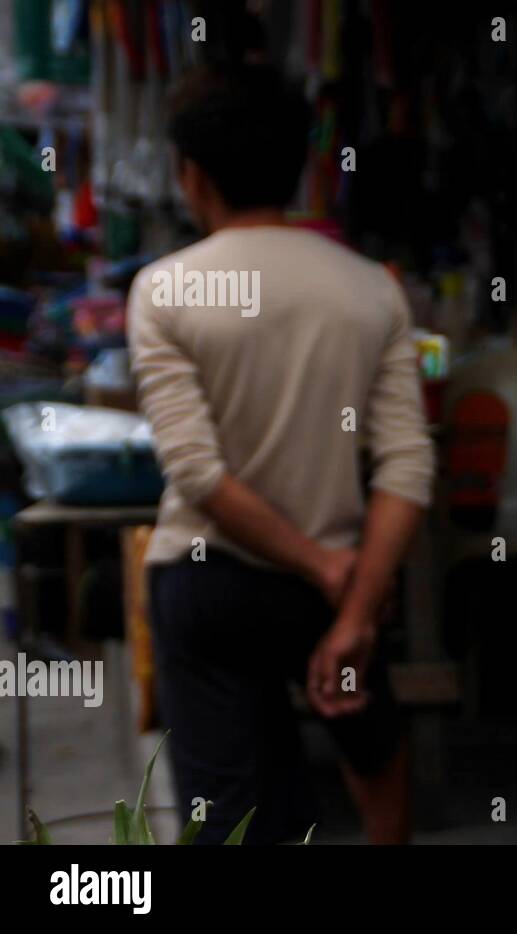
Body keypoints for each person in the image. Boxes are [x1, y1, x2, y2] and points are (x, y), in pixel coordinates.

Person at [128, 64, 434, 844]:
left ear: (190, 175)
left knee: (232, 817)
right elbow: (407, 465)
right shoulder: (371, 288)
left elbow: (195, 473)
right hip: (336, 587)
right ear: (299, 165)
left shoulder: (164, 290)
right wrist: (354, 597)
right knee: (378, 767)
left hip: (209, 578)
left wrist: (322, 570)